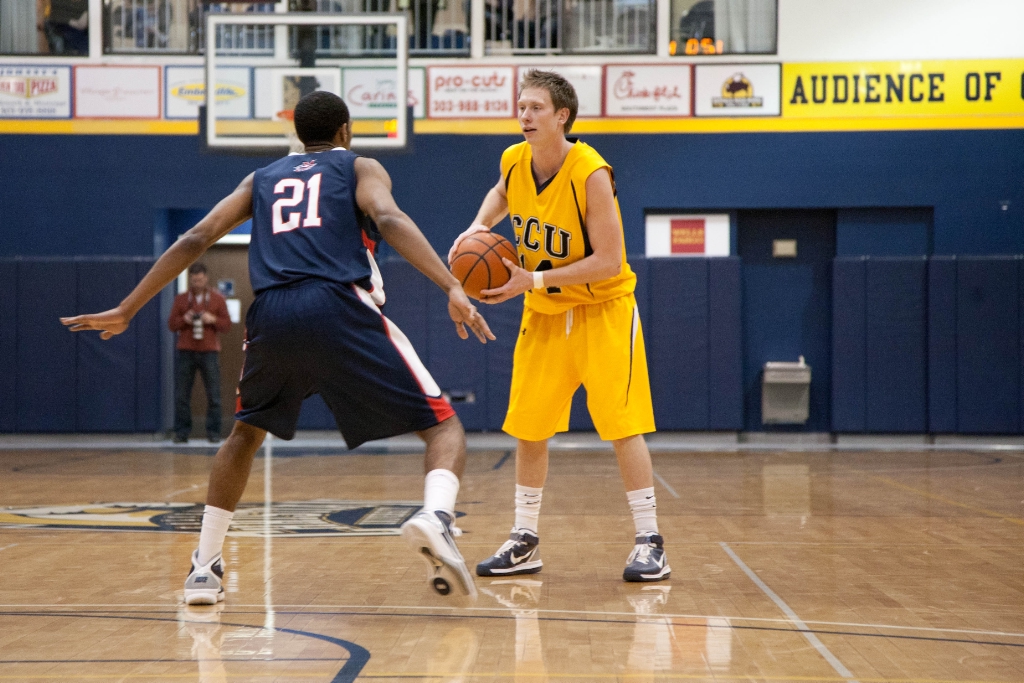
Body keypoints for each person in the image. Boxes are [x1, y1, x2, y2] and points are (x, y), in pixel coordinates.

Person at [62, 90, 493, 604]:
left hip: (272, 313)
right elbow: (392, 220)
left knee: (243, 436)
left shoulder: (261, 178)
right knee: (443, 425)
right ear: (345, 131)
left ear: (297, 134)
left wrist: (129, 307)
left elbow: (195, 237)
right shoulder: (359, 167)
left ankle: (204, 568)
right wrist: (450, 285)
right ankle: (436, 517)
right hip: (340, 304)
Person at [448, 69, 669, 582]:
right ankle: (524, 538)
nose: (524, 115)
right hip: (545, 315)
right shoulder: (514, 160)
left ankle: (650, 541)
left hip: (603, 311)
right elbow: (501, 195)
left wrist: (534, 279)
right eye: (521, 106)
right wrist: (479, 228)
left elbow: (611, 260)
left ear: (561, 116)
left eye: (536, 108)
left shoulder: (590, 171)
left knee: (622, 426)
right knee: (529, 427)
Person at [168, 262, 231, 444]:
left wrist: (213, 319)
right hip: (186, 351)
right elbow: (172, 324)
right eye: (194, 280)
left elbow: (226, 325)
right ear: (190, 280)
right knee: (182, 395)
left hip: (209, 351)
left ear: (206, 278)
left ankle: (213, 433)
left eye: (201, 280)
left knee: (214, 394)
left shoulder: (217, 299)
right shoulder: (181, 299)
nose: (198, 283)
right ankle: (181, 433)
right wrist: (184, 319)